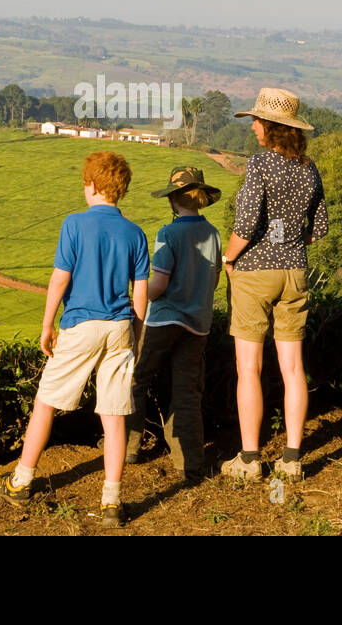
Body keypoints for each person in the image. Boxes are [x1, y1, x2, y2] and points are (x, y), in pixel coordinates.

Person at [0, 150, 149, 527]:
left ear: (91, 185)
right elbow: (140, 295)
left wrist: (47, 325)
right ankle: (112, 502)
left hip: (81, 325)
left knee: (45, 402)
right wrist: (136, 336)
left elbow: (60, 279)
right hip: (121, 327)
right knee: (114, 417)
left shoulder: (74, 225)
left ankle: (21, 482)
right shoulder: (136, 233)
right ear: (120, 190)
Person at [221, 87, 329, 484]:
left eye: (257, 121)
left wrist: (229, 258)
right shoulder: (309, 168)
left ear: (271, 127)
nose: (252, 127)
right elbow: (319, 229)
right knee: (293, 368)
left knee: (248, 367)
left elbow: (246, 224)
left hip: (255, 273)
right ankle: (292, 458)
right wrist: (288, 242)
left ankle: (250, 460)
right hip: (294, 271)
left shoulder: (260, 165)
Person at [126, 165, 223, 484]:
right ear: (201, 197)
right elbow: (215, 277)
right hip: (198, 324)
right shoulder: (212, 233)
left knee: (136, 379)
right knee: (186, 391)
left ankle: (128, 447)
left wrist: (134, 295)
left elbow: (159, 285)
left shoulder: (168, 234)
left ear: (173, 199)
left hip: (164, 320)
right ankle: (190, 463)